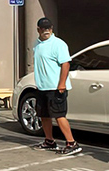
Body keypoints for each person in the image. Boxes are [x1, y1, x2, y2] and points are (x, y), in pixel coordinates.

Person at [32, 17, 81, 155]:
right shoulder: (36, 44)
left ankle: (72, 143)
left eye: (48, 28)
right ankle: (49, 141)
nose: (46, 31)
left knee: (59, 115)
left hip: (56, 88)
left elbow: (66, 64)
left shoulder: (59, 44)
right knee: (44, 115)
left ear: (52, 29)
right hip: (42, 87)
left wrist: (61, 84)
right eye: (43, 29)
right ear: (38, 30)